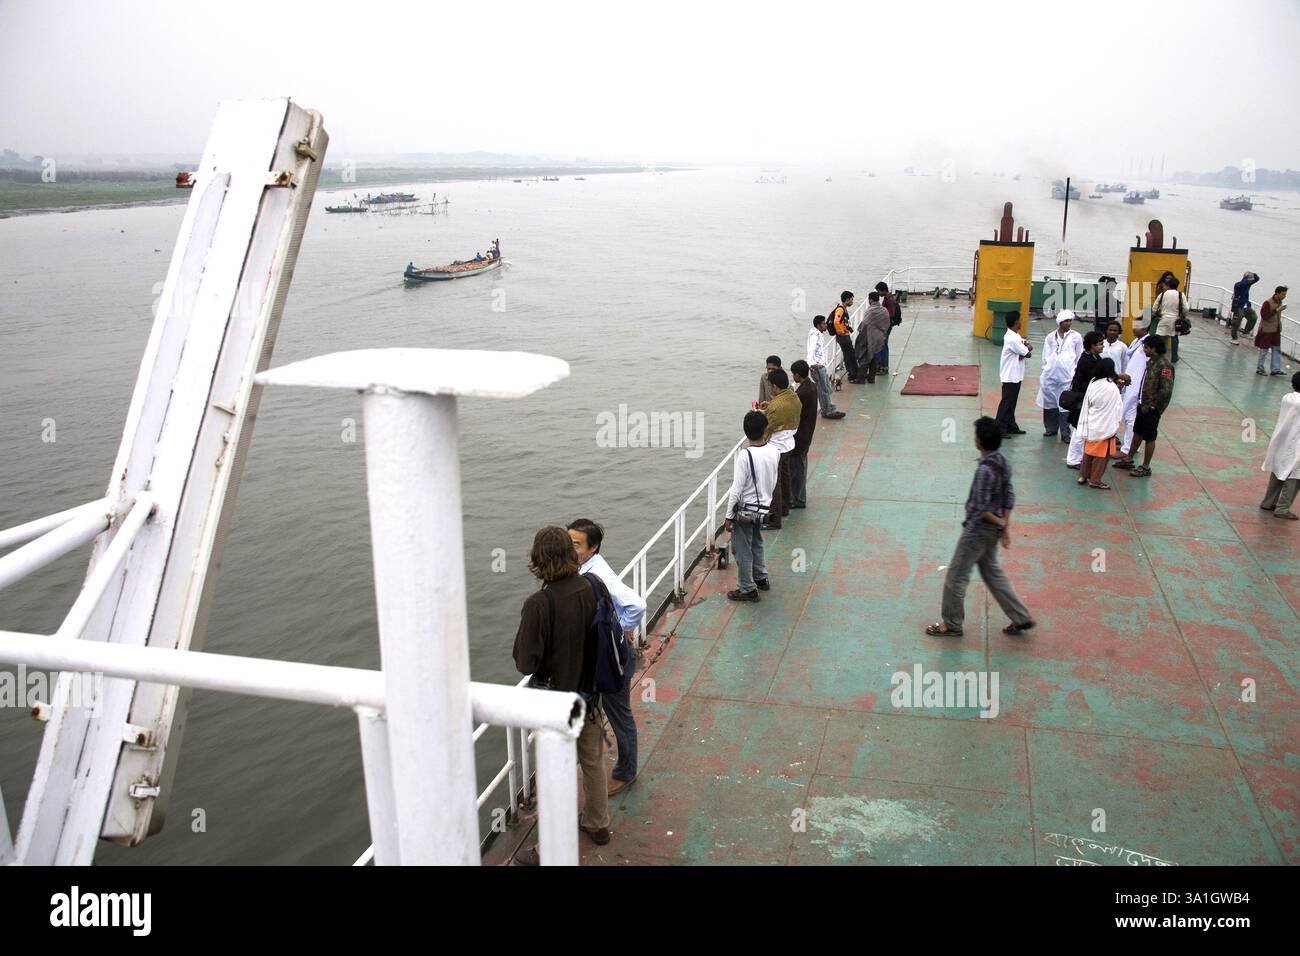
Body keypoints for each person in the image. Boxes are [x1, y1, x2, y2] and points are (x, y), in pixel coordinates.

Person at [512, 526, 613, 860]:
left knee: (556, 772)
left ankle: (551, 847)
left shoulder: (539, 604)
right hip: (591, 694)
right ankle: (598, 824)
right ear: (571, 555)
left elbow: (525, 662)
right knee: (593, 762)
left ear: (539, 559)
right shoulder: (593, 586)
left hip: (555, 703)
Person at [925, 417, 1035, 637]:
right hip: (992, 533)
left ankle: (952, 624)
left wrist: (1000, 522)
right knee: (993, 573)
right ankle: (1021, 617)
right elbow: (1009, 496)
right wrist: (1004, 527)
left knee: (956, 576)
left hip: (977, 531)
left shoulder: (984, 470)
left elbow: (982, 507)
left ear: (979, 442)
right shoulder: (1003, 462)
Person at [567, 519, 647, 797]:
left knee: (620, 715)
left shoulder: (597, 574)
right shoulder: (582, 569)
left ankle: (626, 772)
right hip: (603, 656)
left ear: (593, 547)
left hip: (614, 660)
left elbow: (637, 604)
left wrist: (623, 629)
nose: (570, 548)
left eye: (576, 544)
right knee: (610, 710)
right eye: (568, 542)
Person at [724, 410, 781, 601]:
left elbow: (736, 490)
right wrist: (765, 501)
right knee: (757, 541)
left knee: (742, 549)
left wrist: (728, 516)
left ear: (746, 432)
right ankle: (761, 577)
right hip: (763, 508)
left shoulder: (744, 456)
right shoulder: (774, 450)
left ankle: (747, 588)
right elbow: (773, 481)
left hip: (745, 511)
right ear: (765, 430)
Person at [1114, 336, 1174, 477]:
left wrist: (1154, 405)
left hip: (1151, 408)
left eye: (1146, 347)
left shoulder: (1164, 366)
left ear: (1154, 348)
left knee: (1149, 437)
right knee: (1137, 432)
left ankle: (1146, 466)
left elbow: (1166, 390)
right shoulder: (1151, 362)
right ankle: (1128, 458)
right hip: (1143, 404)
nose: (1144, 350)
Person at [1075, 357, 1124, 490]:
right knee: (1101, 456)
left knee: (1088, 452)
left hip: (1092, 422)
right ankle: (1095, 480)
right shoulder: (1111, 388)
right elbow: (1117, 407)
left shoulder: (1093, 382)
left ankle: (1083, 476)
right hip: (1105, 426)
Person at [1036, 309, 1084, 441]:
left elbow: (1079, 355)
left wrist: (1074, 372)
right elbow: (1045, 355)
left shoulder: (1076, 337)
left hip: (1067, 376)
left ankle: (1065, 433)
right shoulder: (1050, 337)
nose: (1069, 323)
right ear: (1060, 322)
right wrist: (1046, 368)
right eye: (1066, 321)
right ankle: (1050, 429)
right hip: (1050, 376)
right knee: (1050, 403)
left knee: (1065, 403)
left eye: (1070, 321)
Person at [761, 368, 800, 529]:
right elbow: (784, 409)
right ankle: (785, 507)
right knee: (785, 475)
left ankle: (775, 520)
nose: (769, 388)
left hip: (776, 448)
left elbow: (768, 428)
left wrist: (762, 412)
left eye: (770, 386)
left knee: (773, 483)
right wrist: (769, 405)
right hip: (789, 445)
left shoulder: (775, 406)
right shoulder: (794, 397)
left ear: (775, 386)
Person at [1260, 372, 1300, 519]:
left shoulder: (1287, 398)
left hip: (1282, 441)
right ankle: (1282, 508)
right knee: (1294, 477)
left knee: (1278, 472)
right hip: (1296, 445)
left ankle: (1268, 502)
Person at [1064, 331, 1106, 469]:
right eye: (1100, 344)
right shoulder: (1086, 361)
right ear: (1092, 345)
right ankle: (1073, 460)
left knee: (1083, 430)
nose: (1102, 346)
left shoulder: (1095, 358)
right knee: (1078, 430)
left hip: (1087, 400)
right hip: (1082, 401)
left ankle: (1080, 457)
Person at [1117, 316, 1152, 461]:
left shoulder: (1147, 345)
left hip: (1137, 387)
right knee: (1129, 417)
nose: (1133, 328)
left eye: (1136, 326)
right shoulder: (1136, 342)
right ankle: (1130, 445)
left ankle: (1127, 449)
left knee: (1131, 417)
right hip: (1130, 384)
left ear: (1144, 328)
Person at [995, 310, 1032, 436]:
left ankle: (1010, 425)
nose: (1021, 322)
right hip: (1010, 376)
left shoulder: (1015, 336)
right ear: (1016, 322)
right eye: (1020, 320)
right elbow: (1028, 353)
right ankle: (999, 428)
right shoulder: (1012, 339)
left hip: (1015, 375)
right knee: (1006, 403)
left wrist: (1025, 345)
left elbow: (1023, 348)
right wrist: (1028, 346)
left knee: (1012, 402)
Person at [789, 360, 818, 508]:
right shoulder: (812, 387)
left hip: (800, 436)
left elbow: (792, 408)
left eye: (793, 374)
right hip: (807, 433)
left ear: (797, 374)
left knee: (797, 468)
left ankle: (798, 499)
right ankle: (800, 496)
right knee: (801, 465)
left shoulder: (802, 393)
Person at [807, 316, 846, 419]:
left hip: (820, 365)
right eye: (824, 324)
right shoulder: (815, 336)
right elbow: (811, 350)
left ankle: (827, 409)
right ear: (819, 325)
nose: (826, 325)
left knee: (825, 388)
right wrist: (811, 363)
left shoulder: (817, 334)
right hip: (817, 366)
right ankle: (829, 411)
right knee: (823, 389)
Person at [854, 291, 892, 384]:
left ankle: (861, 379)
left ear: (870, 300)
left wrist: (860, 331)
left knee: (864, 356)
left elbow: (865, 324)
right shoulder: (884, 310)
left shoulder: (870, 310)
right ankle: (871, 378)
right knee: (875, 357)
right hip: (879, 338)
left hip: (869, 336)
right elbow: (887, 323)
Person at [1151, 274, 1187, 364]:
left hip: (1164, 318)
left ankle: (1158, 355)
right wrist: (1183, 315)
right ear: (1177, 285)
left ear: (1168, 285)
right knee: (1174, 338)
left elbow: (1154, 308)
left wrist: (1158, 313)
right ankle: (1174, 357)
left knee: (1159, 337)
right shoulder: (1180, 295)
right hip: (1175, 320)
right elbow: (1186, 308)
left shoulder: (1162, 294)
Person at [1255, 286, 1288, 376]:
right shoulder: (1267, 303)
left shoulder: (1279, 302)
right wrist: (1277, 310)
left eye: (1285, 294)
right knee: (1264, 350)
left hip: (1276, 330)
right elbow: (1264, 316)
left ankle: (1275, 369)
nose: (1284, 296)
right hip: (1267, 330)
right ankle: (1260, 368)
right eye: (1283, 294)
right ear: (1277, 293)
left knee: (1276, 349)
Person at [830, 291, 860, 383]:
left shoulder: (843, 308)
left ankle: (853, 373)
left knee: (849, 355)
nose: (852, 301)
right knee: (849, 355)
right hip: (843, 337)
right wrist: (841, 332)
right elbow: (836, 321)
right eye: (851, 299)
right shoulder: (840, 309)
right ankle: (853, 374)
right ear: (847, 299)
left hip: (844, 335)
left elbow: (842, 321)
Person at [875, 280, 901, 372]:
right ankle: (882, 365)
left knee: (883, 345)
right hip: (885, 325)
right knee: (883, 345)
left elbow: (890, 315)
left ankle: (884, 367)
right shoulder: (887, 298)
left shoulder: (890, 301)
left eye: (878, 291)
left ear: (882, 290)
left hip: (886, 326)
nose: (878, 293)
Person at [1229, 271, 1260, 344]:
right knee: (1236, 323)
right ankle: (1234, 338)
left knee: (1253, 317)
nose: (1251, 281)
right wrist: (1245, 277)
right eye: (1250, 279)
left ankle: (1245, 333)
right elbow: (1243, 284)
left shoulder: (1248, 284)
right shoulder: (1238, 285)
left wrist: (1251, 273)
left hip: (1246, 306)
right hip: (1238, 306)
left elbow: (1257, 278)